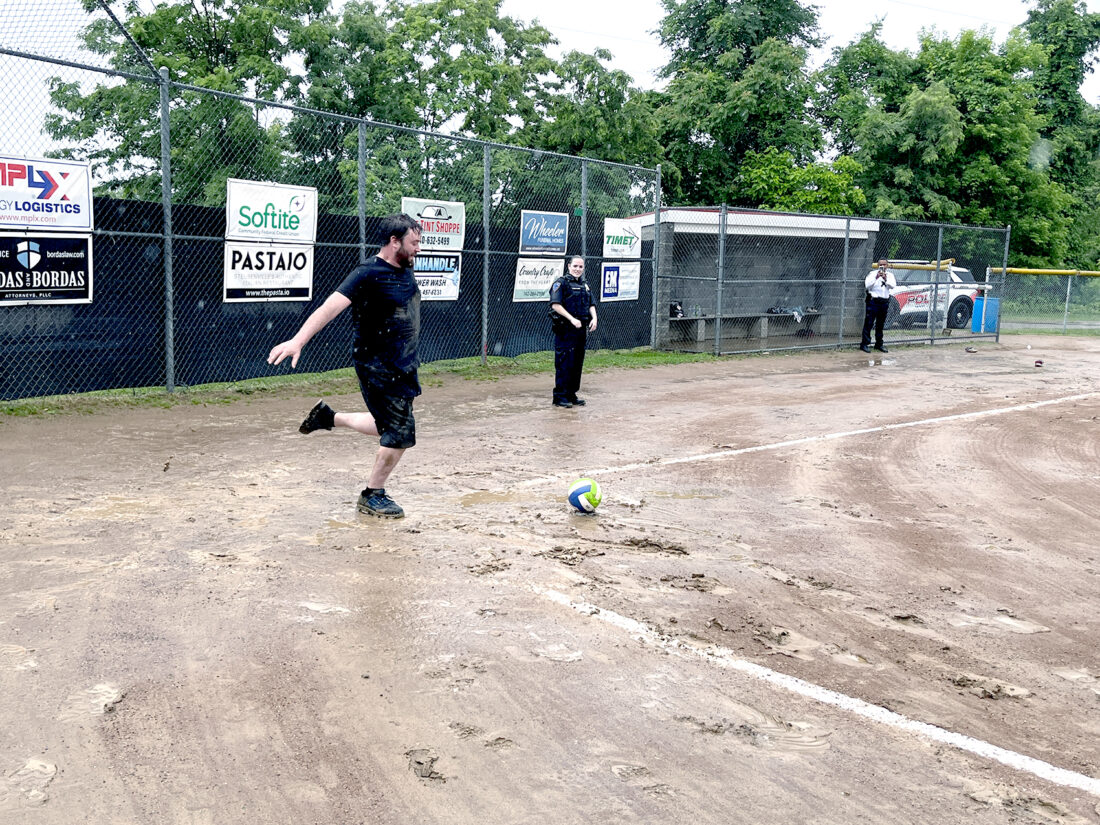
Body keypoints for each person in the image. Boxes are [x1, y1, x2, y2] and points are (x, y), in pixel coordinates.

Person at [267, 214, 422, 519]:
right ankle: (372, 495)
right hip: (378, 365)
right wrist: (298, 340)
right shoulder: (367, 273)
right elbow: (330, 307)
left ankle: (328, 417)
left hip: (403, 362)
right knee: (401, 431)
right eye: (414, 242)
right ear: (394, 242)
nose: (418, 248)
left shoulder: (404, 268)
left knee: (384, 424)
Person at [548, 255, 598, 408]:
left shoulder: (585, 285)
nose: (577, 269)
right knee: (564, 362)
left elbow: (591, 303)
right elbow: (555, 305)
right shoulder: (560, 283)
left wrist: (594, 318)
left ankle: (571, 393)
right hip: (566, 329)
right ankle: (560, 397)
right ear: (568, 266)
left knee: (577, 362)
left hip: (581, 329)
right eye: (575, 266)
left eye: (580, 267)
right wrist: (571, 319)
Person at [860, 258, 896, 353]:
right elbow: (867, 285)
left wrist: (885, 278)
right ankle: (865, 344)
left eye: (884, 264)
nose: (883, 266)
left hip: (884, 301)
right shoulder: (872, 274)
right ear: (877, 265)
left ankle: (879, 344)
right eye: (881, 264)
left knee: (880, 324)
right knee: (869, 323)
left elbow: (893, 285)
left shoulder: (890, 275)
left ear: (887, 265)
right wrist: (876, 277)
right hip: (873, 301)